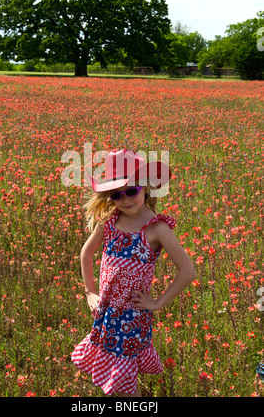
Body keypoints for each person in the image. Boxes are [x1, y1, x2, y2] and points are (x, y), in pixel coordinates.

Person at [71, 149, 195, 397]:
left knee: (124, 382)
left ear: (146, 188)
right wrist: (89, 292)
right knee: (121, 376)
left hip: (132, 317)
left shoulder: (157, 229)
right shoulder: (109, 223)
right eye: (116, 194)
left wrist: (158, 302)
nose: (125, 199)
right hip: (107, 312)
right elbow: (86, 254)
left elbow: (188, 271)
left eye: (131, 191)